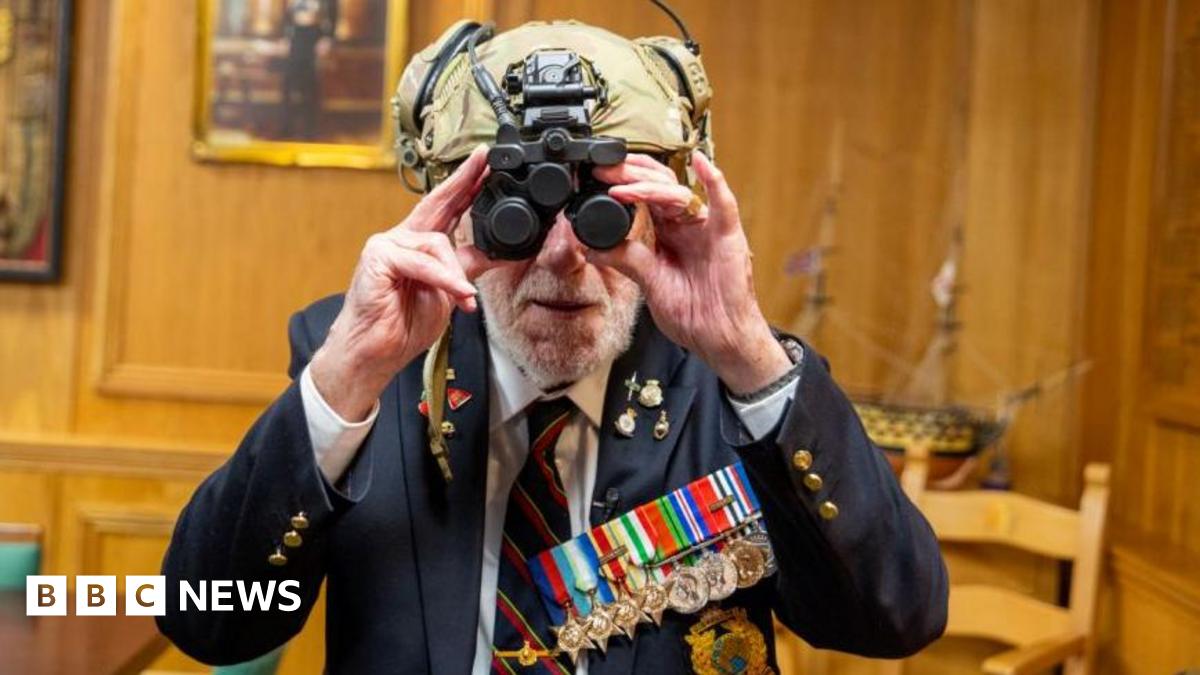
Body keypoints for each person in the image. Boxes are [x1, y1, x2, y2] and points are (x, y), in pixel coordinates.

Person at [159, 19, 947, 674]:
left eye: (602, 205)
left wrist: (745, 350)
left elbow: (895, 617)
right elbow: (207, 623)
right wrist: (345, 378)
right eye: (519, 208)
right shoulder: (374, 366)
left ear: (662, 206)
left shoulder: (729, 384)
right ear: (456, 209)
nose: (564, 254)